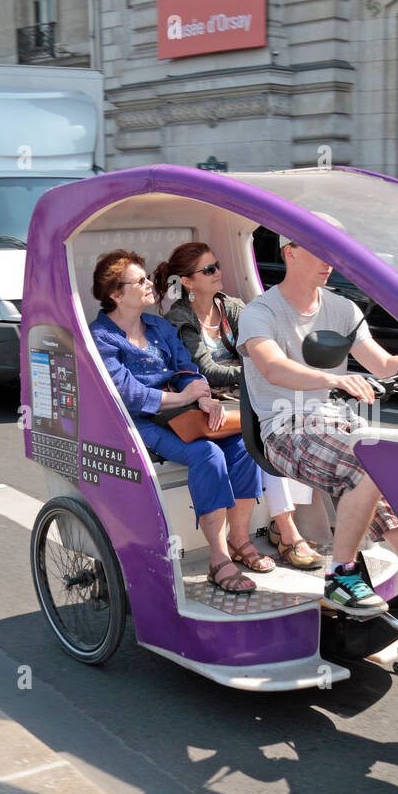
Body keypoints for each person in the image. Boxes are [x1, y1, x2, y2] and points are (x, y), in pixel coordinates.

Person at [237, 222, 398, 654]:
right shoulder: (260, 312)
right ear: (290, 252)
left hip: (335, 426)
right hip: (284, 432)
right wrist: (333, 380)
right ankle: (341, 575)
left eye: (333, 250)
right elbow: (272, 368)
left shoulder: (341, 309)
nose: (329, 260)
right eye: (319, 250)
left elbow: (380, 364)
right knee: (370, 461)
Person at [88, 248, 273, 594]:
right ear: (115, 294)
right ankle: (218, 560)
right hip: (139, 423)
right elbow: (128, 394)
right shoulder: (100, 337)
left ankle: (239, 538)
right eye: (139, 281)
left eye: (146, 278)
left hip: (183, 414)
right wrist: (185, 398)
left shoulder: (157, 326)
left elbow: (187, 367)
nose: (149, 285)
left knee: (244, 446)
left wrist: (201, 394)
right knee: (208, 455)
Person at [157, 241, 325, 570]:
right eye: (208, 270)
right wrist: (256, 369)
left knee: (301, 421)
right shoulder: (180, 318)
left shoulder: (230, 306)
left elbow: (263, 343)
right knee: (268, 430)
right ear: (187, 281)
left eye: (217, 265)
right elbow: (205, 369)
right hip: (210, 399)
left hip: (241, 395)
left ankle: (282, 525)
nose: (218, 273)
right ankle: (287, 530)